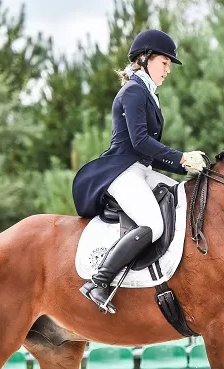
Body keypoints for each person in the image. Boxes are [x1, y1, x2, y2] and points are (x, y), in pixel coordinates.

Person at [72, 29, 207, 314]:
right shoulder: (134, 91)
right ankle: (99, 282)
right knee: (153, 224)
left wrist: (189, 170)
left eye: (169, 65)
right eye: (164, 63)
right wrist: (182, 158)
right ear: (144, 59)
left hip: (141, 169)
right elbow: (140, 142)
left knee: (182, 198)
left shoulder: (148, 93)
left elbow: (150, 156)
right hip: (121, 172)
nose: (168, 70)